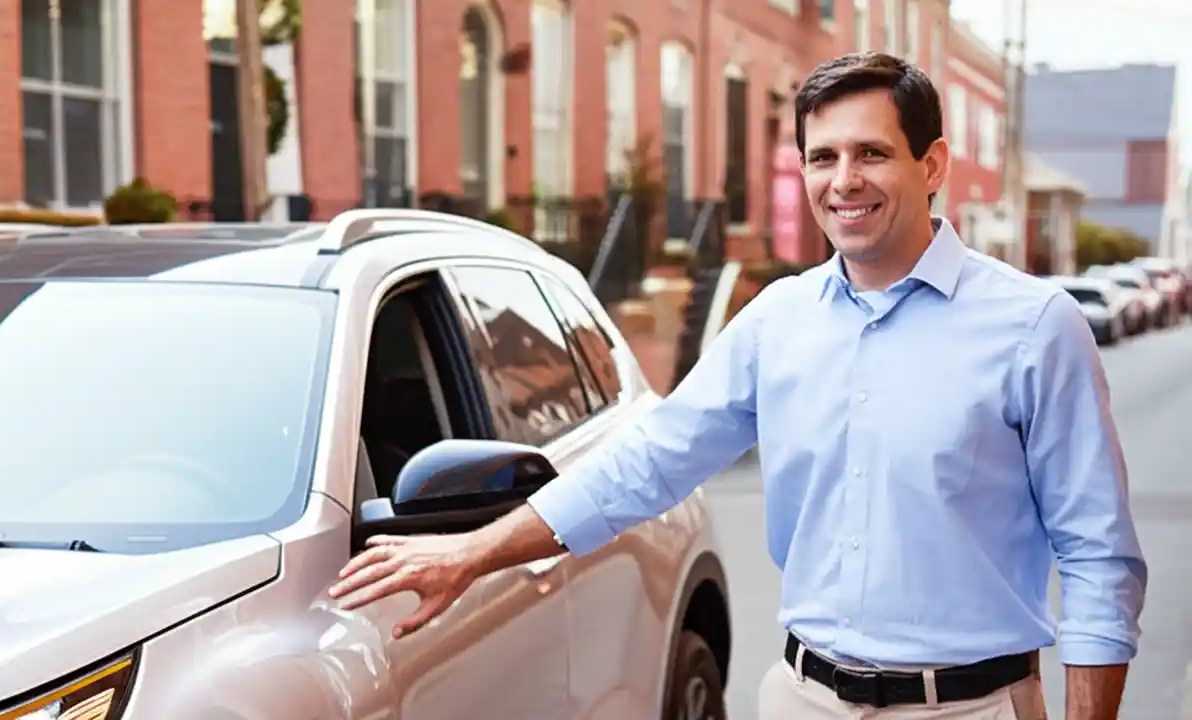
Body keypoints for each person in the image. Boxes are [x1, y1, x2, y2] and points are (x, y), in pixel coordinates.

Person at [328, 51, 1147, 719]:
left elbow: (1100, 557)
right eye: (823, 157)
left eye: (871, 153)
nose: (843, 180)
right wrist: (474, 552)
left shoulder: (1035, 325)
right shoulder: (777, 320)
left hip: (970, 706)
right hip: (802, 699)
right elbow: (648, 461)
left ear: (931, 164)